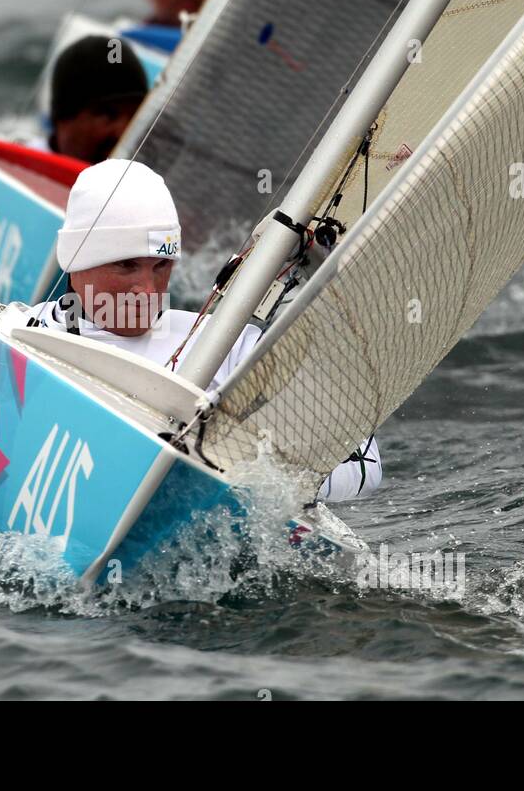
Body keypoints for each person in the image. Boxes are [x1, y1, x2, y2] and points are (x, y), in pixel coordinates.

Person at [27, 159, 382, 502]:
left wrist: (247, 474)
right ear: (76, 260)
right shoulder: (22, 335)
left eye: (161, 266)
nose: (149, 291)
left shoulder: (227, 345)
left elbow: (364, 463)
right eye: (127, 265)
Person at [42, 35, 149, 163]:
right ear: (63, 119)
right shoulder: (17, 173)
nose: (123, 131)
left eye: (135, 116)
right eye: (109, 115)